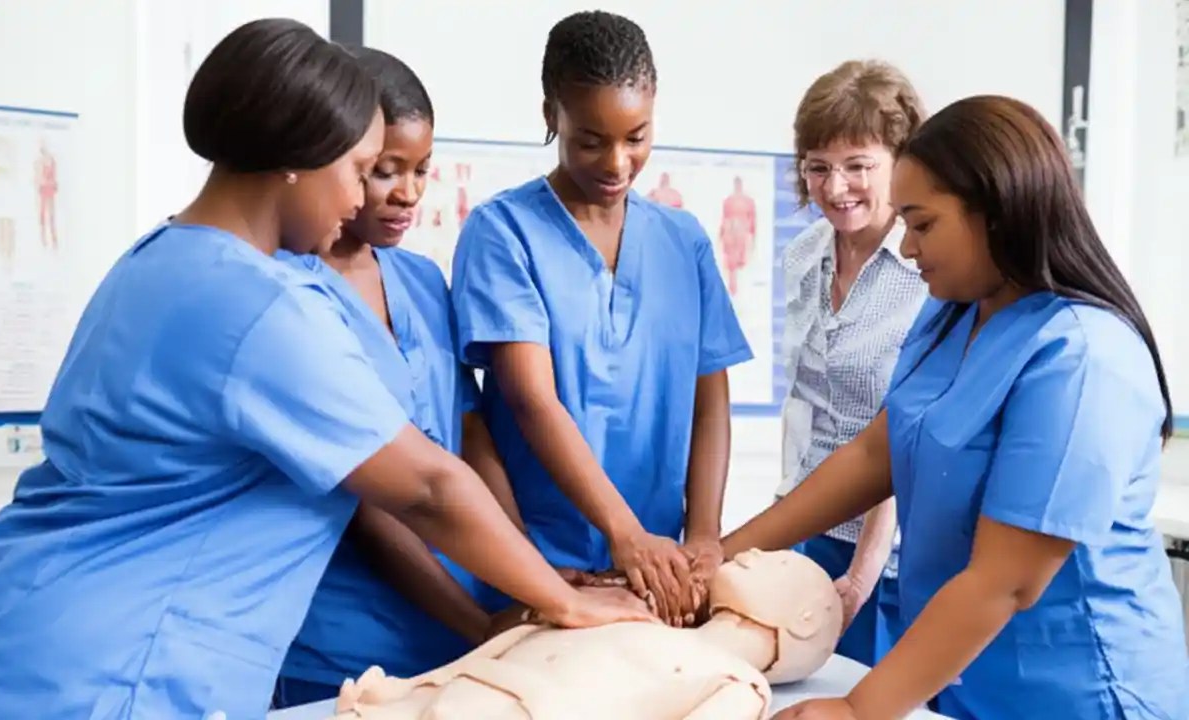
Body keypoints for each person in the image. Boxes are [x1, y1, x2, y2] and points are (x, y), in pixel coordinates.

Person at [0, 19, 650, 720]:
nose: (363, 196)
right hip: (108, 664)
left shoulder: (159, 261)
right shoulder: (255, 304)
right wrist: (567, 601)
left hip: (20, 634)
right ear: (300, 161)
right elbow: (426, 486)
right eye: (362, 171)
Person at [726, 95, 1189, 720]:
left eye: (921, 224)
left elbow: (1007, 580)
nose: (909, 249)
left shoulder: (1082, 355)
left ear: (997, 213)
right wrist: (724, 554)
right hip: (966, 680)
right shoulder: (952, 314)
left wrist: (859, 710)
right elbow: (873, 454)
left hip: (1081, 691)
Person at [450, 9, 753, 626]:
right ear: (550, 115)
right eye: (591, 140)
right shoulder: (504, 233)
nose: (617, 163)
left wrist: (702, 534)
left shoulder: (683, 239)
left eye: (636, 137)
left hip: (658, 572)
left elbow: (709, 400)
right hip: (546, 570)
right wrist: (622, 532)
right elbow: (532, 399)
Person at [272, 47, 515, 708]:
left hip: (467, 623)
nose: (407, 192)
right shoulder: (285, 293)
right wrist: (480, 627)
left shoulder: (421, 281)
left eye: (421, 170)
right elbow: (368, 502)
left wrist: (521, 573)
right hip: (341, 644)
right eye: (383, 171)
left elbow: (470, 432)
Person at [778, 60, 928, 665]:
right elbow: (805, 403)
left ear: (903, 162)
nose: (836, 187)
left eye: (859, 165)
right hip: (813, 526)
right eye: (818, 167)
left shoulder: (927, 269)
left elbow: (904, 430)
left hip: (893, 550)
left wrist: (864, 574)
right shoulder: (802, 254)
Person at [329, 549, 842, 720]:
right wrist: (418, 684)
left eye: (774, 560)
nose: (751, 553)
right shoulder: (629, 614)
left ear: (805, 622)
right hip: (460, 694)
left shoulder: (740, 683)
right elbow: (520, 643)